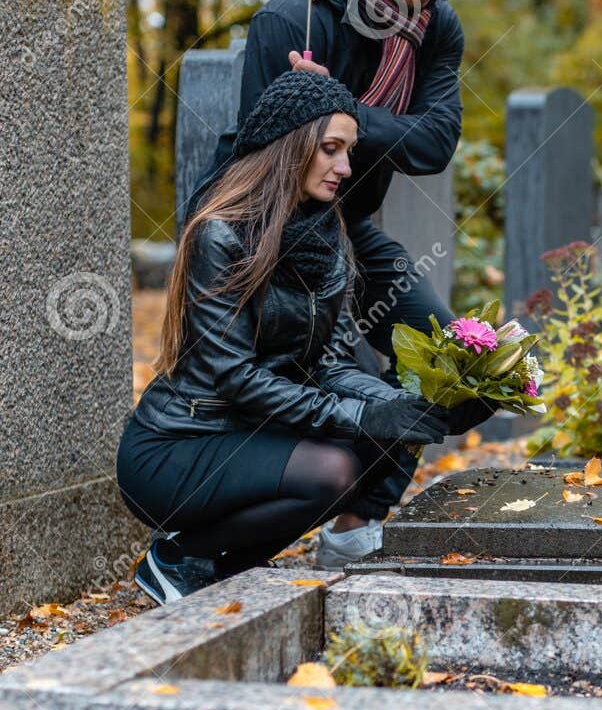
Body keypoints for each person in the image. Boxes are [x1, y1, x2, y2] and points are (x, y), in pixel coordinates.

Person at [194, 0, 504, 568]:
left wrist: (338, 106)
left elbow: (433, 143)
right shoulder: (289, 21)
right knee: (349, 389)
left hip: (351, 231)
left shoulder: (436, 25)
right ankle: (213, 545)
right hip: (268, 242)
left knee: (466, 372)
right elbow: (262, 172)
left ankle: (353, 522)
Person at [118, 71, 448, 604]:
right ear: (291, 146)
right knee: (333, 470)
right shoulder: (220, 232)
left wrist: (396, 405)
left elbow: (333, 362)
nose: (345, 168)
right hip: (180, 443)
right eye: (331, 150)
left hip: (253, 434)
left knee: (383, 441)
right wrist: (361, 416)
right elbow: (234, 375)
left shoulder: (327, 232)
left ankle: (234, 567)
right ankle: (178, 557)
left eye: (349, 151)